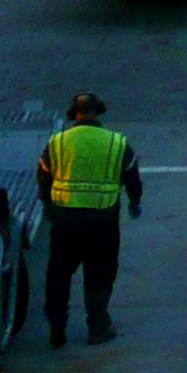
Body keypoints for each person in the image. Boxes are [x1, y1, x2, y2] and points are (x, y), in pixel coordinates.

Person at [36, 89, 142, 346]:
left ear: (74, 114)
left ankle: (57, 327)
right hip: (102, 221)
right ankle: (97, 326)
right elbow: (132, 176)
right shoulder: (116, 142)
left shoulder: (58, 142)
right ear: (99, 112)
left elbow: (44, 175)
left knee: (59, 272)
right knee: (99, 274)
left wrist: (49, 205)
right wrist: (134, 202)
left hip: (65, 220)